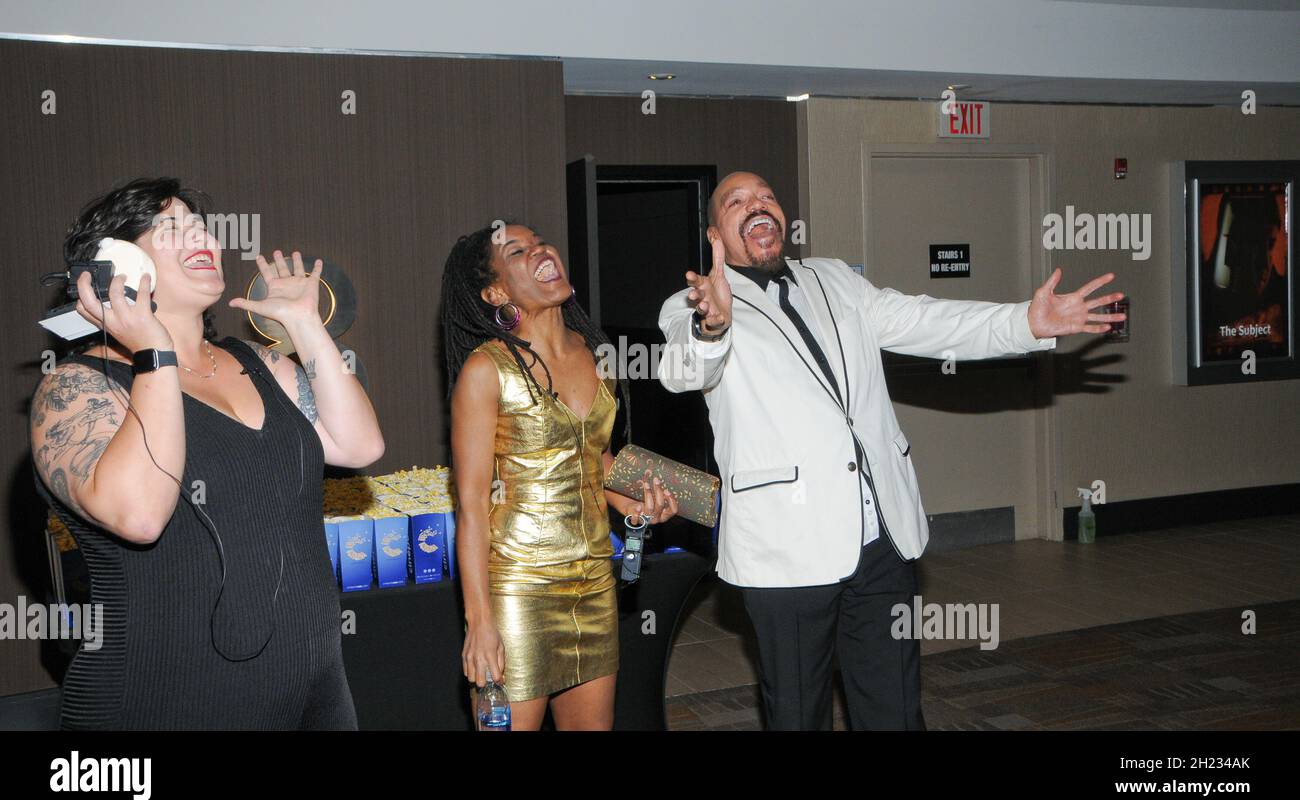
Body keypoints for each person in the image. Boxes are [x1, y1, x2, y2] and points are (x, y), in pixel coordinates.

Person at [657, 171, 1126, 730]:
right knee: (798, 712)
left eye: (767, 197)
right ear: (715, 233)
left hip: (881, 537)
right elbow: (682, 373)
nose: (758, 205)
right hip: (785, 549)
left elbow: (926, 320)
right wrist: (713, 325)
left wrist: (1025, 322)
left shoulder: (833, 278)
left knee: (895, 707)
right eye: (738, 201)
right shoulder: (691, 306)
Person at [30, 178, 385, 729]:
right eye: (169, 227)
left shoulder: (259, 363)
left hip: (312, 692)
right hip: (163, 700)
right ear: (116, 268)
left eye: (199, 225)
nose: (199, 234)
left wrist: (306, 326)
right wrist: (153, 350)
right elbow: (141, 516)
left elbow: (360, 444)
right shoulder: (78, 386)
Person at [442, 222, 677, 731]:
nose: (541, 250)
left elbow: (598, 461)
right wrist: (479, 622)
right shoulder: (487, 370)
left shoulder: (597, 356)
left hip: (593, 583)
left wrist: (636, 505)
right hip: (516, 590)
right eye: (518, 251)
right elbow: (472, 507)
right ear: (496, 291)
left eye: (540, 242)